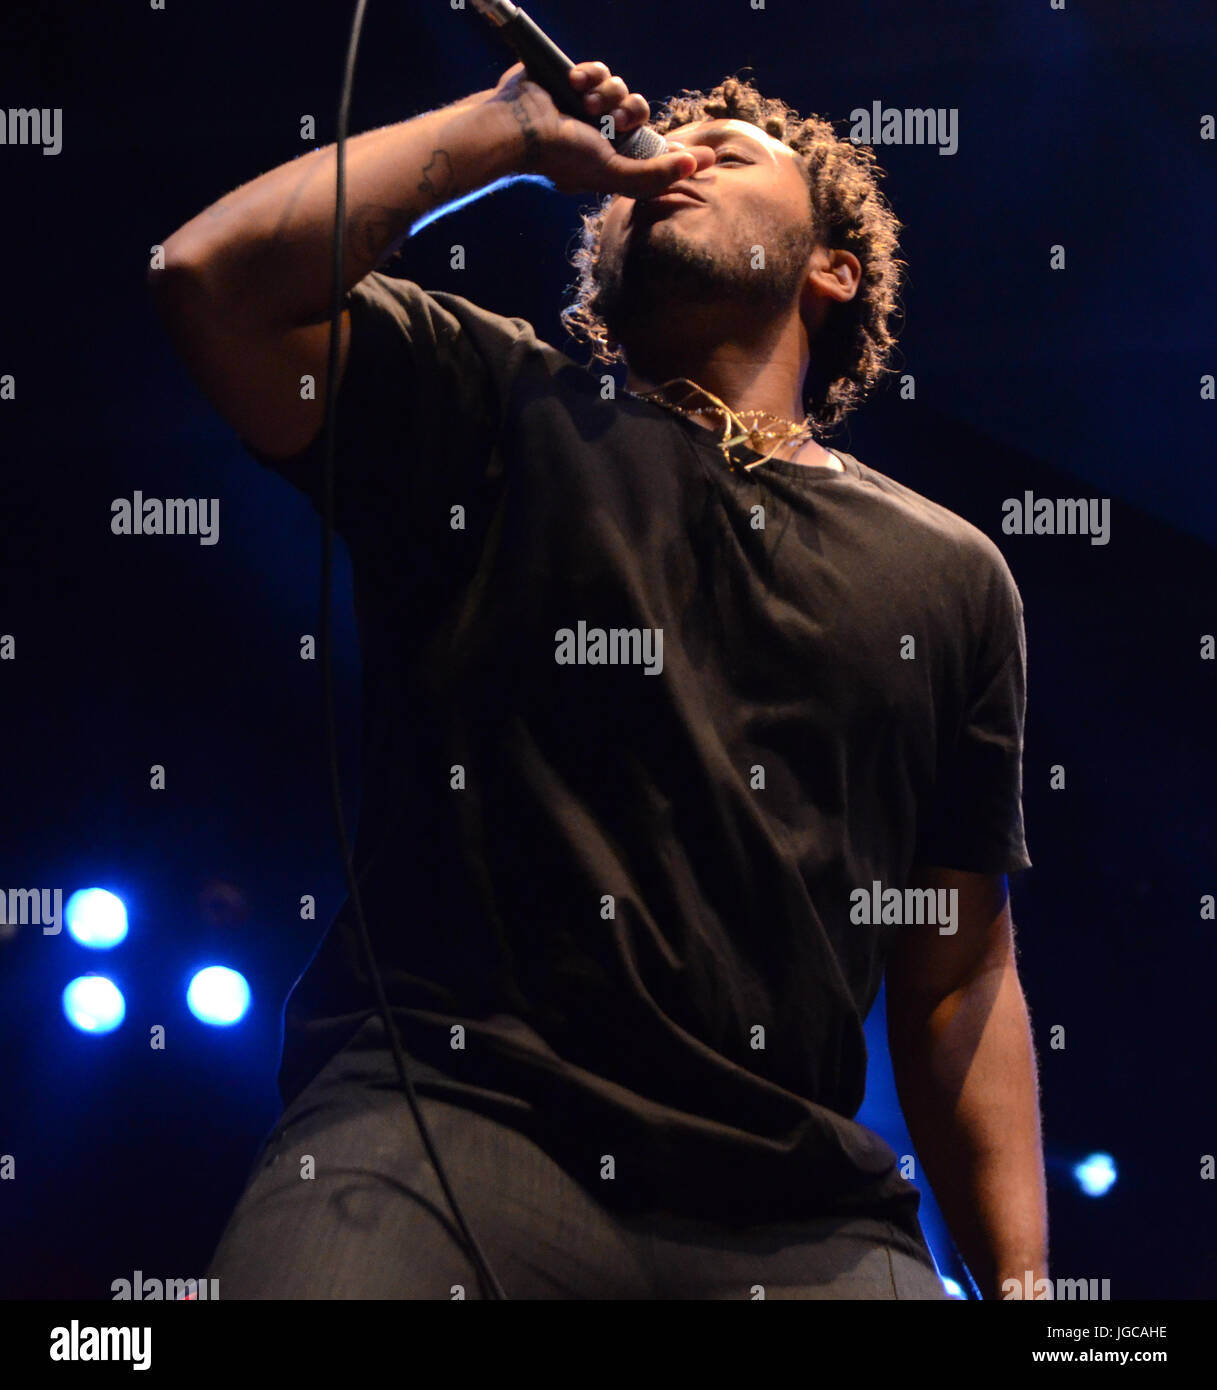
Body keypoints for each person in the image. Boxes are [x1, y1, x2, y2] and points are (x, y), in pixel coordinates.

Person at [149, 57, 1048, 1300]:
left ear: (832, 268)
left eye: (729, 149)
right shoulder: (491, 404)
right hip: (451, 1125)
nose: (683, 157)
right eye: (651, 165)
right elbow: (214, 283)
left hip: (803, 1208)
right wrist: (499, 131)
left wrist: (1020, 1283)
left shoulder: (950, 575)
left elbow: (954, 974)